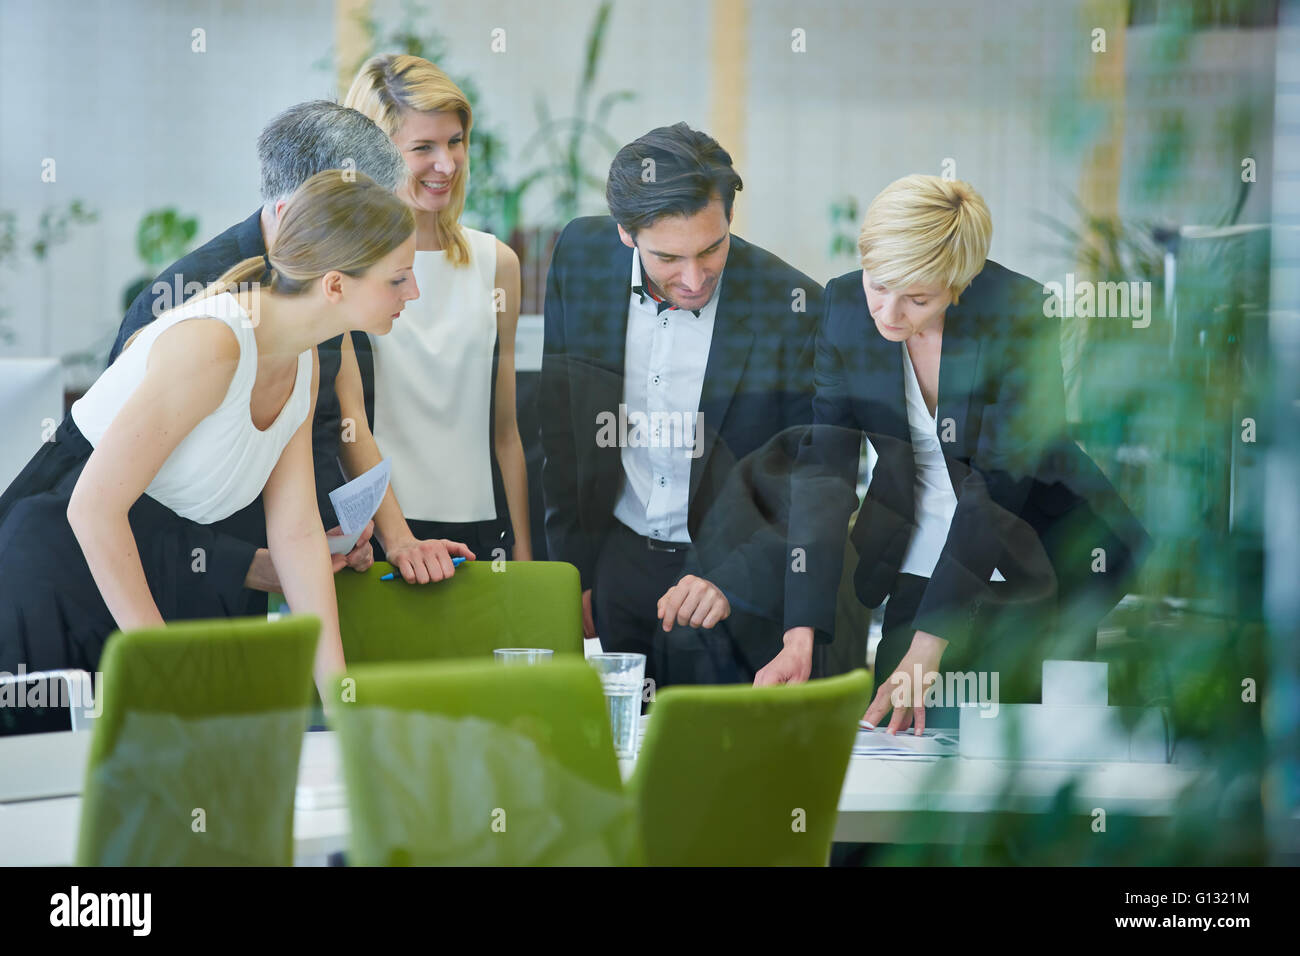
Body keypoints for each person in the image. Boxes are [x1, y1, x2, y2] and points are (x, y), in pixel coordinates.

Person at [0, 171, 418, 702]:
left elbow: (295, 532)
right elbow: (91, 511)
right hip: (54, 575)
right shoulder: (212, 345)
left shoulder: (305, 358)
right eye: (398, 278)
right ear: (335, 285)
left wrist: (341, 695)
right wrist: (163, 663)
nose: (414, 291)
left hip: (142, 570)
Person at [768, 174, 1149, 731]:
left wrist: (929, 647)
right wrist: (799, 632)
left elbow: (999, 482)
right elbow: (825, 467)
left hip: (1033, 559)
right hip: (917, 555)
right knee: (901, 740)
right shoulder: (846, 307)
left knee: (1010, 754)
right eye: (879, 284)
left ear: (958, 282)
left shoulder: (1018, 313)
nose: (889, 313)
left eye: (917, 298)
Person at [109, 99, 470, 602]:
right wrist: (252, 565)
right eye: (364, 221)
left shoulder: (331, 291)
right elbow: (119, 503)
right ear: (297, 210)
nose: (382, 239)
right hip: (176, 580)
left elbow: (345, 424)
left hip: (299, 561)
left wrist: (393, 538)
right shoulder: (197, 307)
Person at [538, 122, 821, 691]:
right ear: (627, 234)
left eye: (711, 249)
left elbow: (808, 483)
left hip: (730, 584)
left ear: (730, 220)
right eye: (668, 258)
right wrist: (576, 574)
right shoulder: (579, 256)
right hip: (618, 566)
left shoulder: (794, 305)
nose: (694, 279)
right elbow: (562, 427)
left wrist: (735, 579)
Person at [342, 54, 531, 564]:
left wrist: (526, 556)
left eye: (455, 141)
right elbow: (342, 428)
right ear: (375, 153)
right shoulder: (340, 270)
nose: (446, 164)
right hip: (378, 538)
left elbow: (505, 433)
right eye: (422, 147)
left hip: (483, 535)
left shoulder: (497, 264)